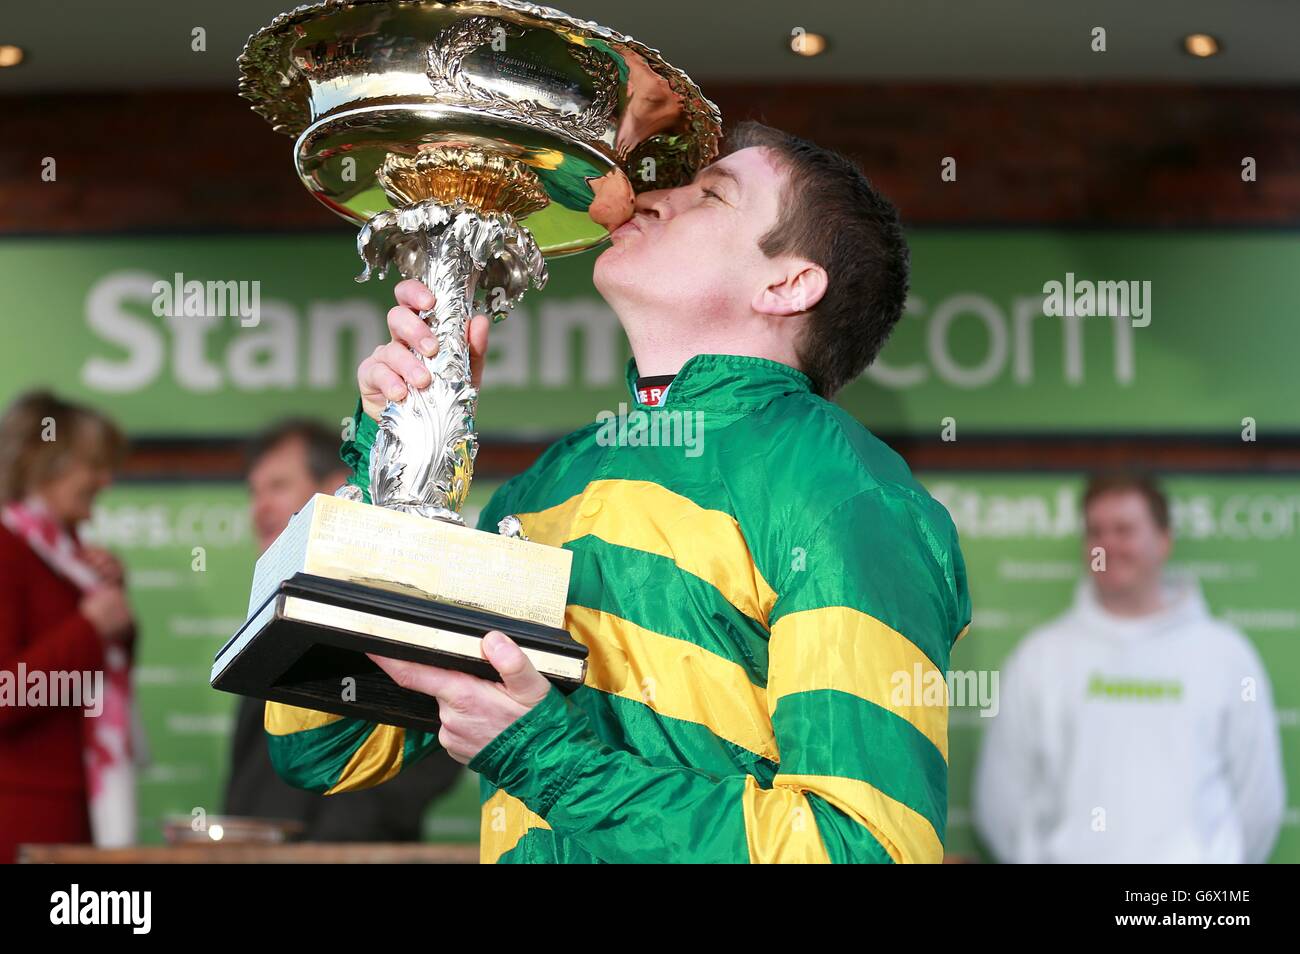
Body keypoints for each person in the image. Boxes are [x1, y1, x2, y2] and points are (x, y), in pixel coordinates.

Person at [265, 121, 972, 863]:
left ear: (788, 284)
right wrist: (394, 457)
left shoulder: (850, 497)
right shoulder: (544, 488)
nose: (655, 199)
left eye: (711, 195)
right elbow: (329, 746)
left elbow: (867, 851)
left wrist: (546, 760)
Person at [973, 473, 1286, 863]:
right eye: (1096, 531)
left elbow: (1259, 801)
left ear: (1164, 540)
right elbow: (1003, 797)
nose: (1108, 545)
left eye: (1125, 530)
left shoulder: (1226, 655)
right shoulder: (1039, 657)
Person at [223, 419, 463, 841]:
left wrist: (332, 847)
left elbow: (435, 738)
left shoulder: (395, 593)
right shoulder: (271, 605)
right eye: (253, 492)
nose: (258, 508)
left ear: (335, 489)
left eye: (277, 486)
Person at [0, 391, 136, 863]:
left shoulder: (67, 559)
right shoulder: (6, 548)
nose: (105, 479)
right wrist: (89, 626)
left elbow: (94, 679)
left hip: (74, 808)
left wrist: (113, 614)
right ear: (44, 461)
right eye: (94, 464)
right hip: (22, 814)